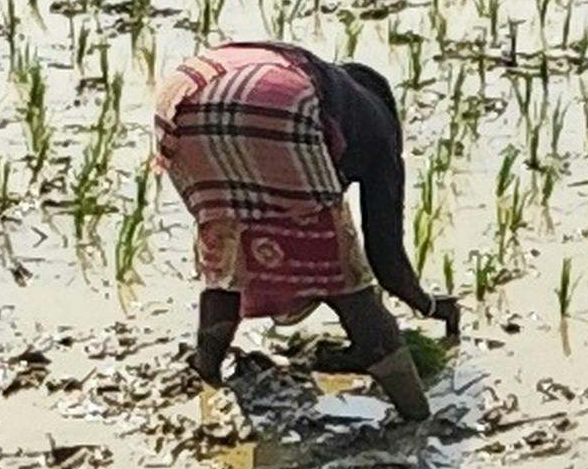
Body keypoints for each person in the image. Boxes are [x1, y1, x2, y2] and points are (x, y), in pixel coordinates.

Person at [149, 38, 454, 424]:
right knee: (337, 266)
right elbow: (385, 257)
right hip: (275, 100)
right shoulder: (378, 128)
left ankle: (206, 368)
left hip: (181, 96)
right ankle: (416, 413)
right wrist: (432, 306)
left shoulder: (331, 88)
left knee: (226, 242)